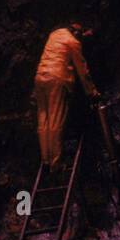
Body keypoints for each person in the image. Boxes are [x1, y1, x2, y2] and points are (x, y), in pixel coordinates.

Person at [33, 22, 99, 170]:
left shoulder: (55, 34)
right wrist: (92, 91)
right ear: (77, 32)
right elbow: (83, 71)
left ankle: (45, 159)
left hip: (40, 78)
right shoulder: (73, 42)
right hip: (57, 78)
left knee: (44, 119)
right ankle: (56, 163)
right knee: (56, 120)